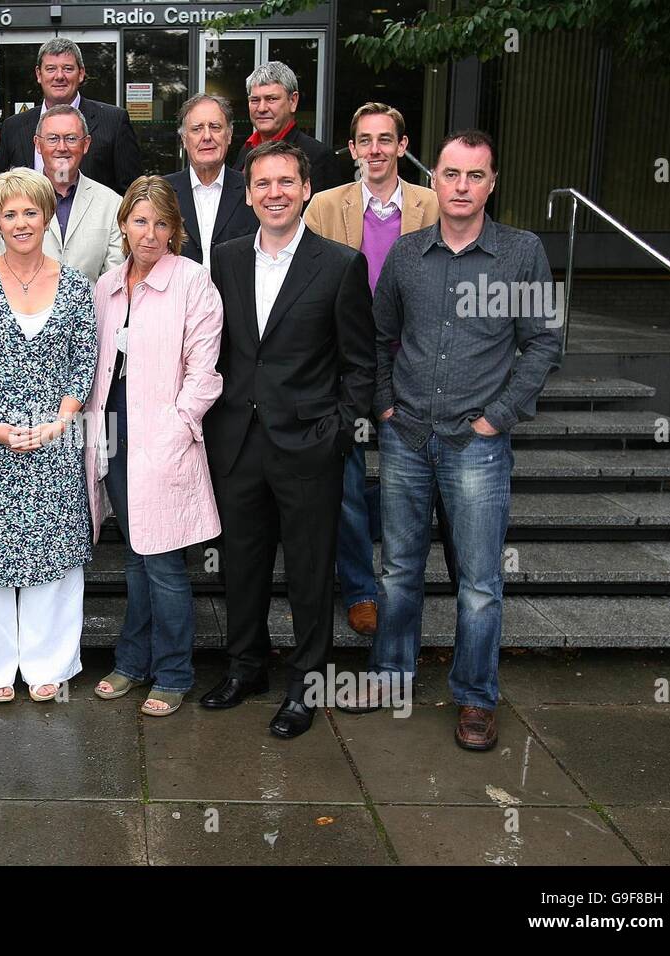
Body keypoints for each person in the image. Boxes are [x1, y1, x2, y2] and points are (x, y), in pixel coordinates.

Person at [371, 130, 561, 750]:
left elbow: (543, 343)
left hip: (476, 444)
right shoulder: (406, 256)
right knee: (399, 570)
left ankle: (475, 698)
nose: (460, 186)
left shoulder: (521, 253)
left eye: (474, 176)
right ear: (434, 179)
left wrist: (498, 416)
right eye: (450, 173)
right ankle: (391, 679)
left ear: (491, 183)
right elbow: (377, 338)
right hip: (406, 438)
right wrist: (384, 407)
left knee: (479, 582)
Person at [201, 140, 374, 740]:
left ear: (305, 190)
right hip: (238, 441)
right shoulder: (223, 259)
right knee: (242, 567)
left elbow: (360, 362)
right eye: (262, 184)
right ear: (247, 195)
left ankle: (306, 685)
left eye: (286, 182)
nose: (274, 193)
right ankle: (246, 667)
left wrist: (339, 433)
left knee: (308, 571)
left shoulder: (340, 264)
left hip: (309, 445)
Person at [0, 168, 97, 703]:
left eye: (30, 211)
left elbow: (85, 362)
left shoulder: (76, 284)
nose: (21, 222)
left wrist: (61, 420)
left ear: (47, 215)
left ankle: (48, 666)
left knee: (52, 557)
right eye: (9, 213)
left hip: (53, 439)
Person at [85, 176, 224, 717]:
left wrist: (177, 429)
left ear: (175, 230)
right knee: (135, 560)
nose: (150, 233)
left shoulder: (193, 283)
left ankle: (172, 672)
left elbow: (204, 373)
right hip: (113, 437)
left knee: (164, 564)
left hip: (163, 442)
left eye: (161, 223)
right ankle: (131, 661)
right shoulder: (106, 287)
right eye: (140, 220)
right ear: (123, 225)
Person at [303, 102, 441, 639]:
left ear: (402, 147)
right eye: (365, 140)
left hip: (414, 362)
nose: (376, 150)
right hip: (347, 362)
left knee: (411, 482)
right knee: (349, 480)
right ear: (354, 149)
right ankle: (360, 588)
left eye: (387, 139)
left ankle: (405, 583)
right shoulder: (322, 205)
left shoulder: (430, 205)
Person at [0, 104, 124, 284]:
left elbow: (113, 283)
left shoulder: (111, 204)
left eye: (71, 138)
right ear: (37, 144)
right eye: (52, 138)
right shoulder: (8, 199)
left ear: (86, 144)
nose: (62, 147)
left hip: (90, 311)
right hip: (21, 309)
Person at [0, 38, 141, 195]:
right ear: (38, 74)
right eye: (50, 69)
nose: (59, 76)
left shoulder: (114, 122)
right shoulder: (14, 127)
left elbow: (131, 193)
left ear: (81, 74)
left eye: (68, 69)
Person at [164, 94, 258, 272]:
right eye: (197, 129)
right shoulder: (163, 193)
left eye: (215, 127)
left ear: (229, 135)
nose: (207, 136)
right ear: (184, 139)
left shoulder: (252, 189)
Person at [231, 62, 339, 197]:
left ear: (293, 101)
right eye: (255, 100)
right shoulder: (246, 149)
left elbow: (323, 216)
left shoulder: (318, 157)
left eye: (271, 99)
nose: (261, 108)